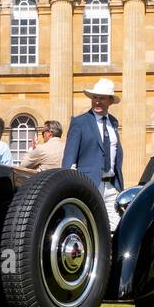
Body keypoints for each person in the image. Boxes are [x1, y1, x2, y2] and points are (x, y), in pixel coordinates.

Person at [61, 77, 123, 230]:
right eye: (95, 97)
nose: (97, 101)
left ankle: (110, 255)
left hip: (112, 187)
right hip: (88, 184)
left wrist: (118, 186)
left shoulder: (113, 122)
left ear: (110, 101)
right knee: (86, 227)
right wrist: (70, 185)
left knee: (115, 229)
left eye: (101, 98)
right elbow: (69, 158)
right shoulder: (79, 122)